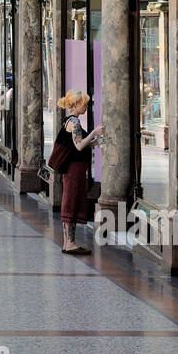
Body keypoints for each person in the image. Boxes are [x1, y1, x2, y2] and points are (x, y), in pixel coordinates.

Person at [53, 90, 103, 254]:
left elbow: (78, 144)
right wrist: (94, 133)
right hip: (74, 169)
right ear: (75, 104)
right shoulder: (74, 122)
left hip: (75, 168)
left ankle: (68, 243)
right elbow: (79, 145)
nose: (86, 106)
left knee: (71, 200)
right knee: (71, 201)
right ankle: (70, 243)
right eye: (84, 103)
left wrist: (93, 142)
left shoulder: (70, 121)